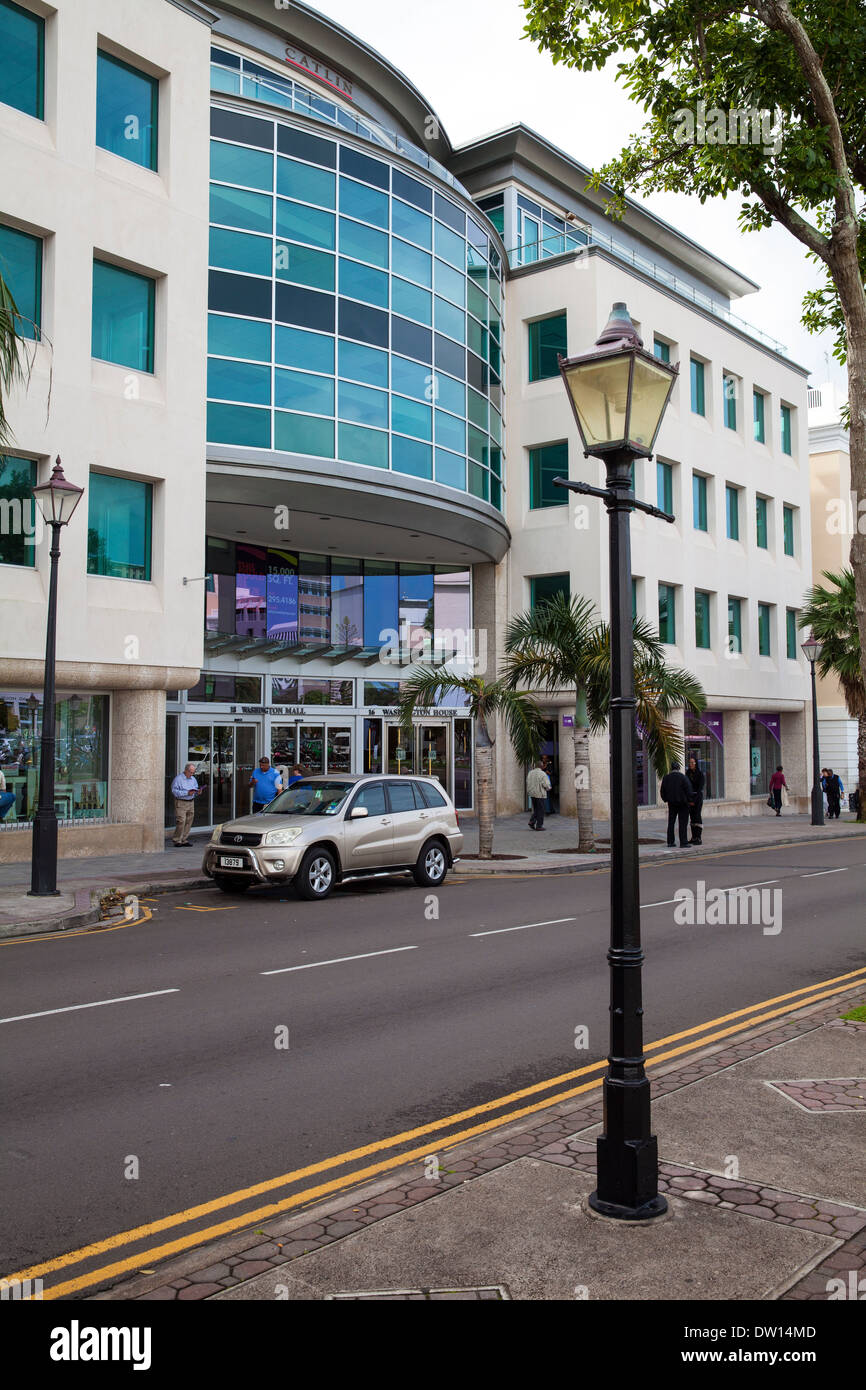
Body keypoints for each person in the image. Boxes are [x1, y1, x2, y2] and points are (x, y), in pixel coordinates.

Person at [660, 761, 693, 847]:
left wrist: (666, 799)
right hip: (683, 803)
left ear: (671, 768)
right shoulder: (683, 777)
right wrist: (689, 800)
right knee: (682, 823)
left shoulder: (666, 778)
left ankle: (670, 842)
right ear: (678, 768)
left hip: (671, 803)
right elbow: (689, 790)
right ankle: (683, 842)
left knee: (671, 822)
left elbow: (662, 791)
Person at [170, 763, 202, 846]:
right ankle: (177, 840)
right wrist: (187, 792)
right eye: (190, 772)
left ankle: (184, 839)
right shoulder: (178, 779)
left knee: (189, 821)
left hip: (191, 802)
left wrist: (197, 792)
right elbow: (174, 791)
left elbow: (195, 789)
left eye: (193, 772)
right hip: (181, 802)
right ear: (186, 770)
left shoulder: (193, 779)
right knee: (181, 821)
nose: (192, 774)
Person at [685, 755, 705, 845]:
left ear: (696, 763)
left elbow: (700, 788)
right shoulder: (688, 773)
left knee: (697, 816)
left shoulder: (700, 774)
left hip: (697, 798)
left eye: (693, 762)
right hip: (690, 797)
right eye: (690, 763)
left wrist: (694, 800)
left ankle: (698, 837)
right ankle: (693, 837)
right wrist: (689, 799)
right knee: (692, 817)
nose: (691, 764)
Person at [526, 760, 551, 831]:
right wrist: (549, 788)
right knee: (541, 810)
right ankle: (539, 826)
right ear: (541, 766)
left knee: (536, 809)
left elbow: (527, 782)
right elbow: (546, 784)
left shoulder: (530, 773)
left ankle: (532, 821)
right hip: (540, 794)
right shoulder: (542, 773)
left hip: (532, 794)